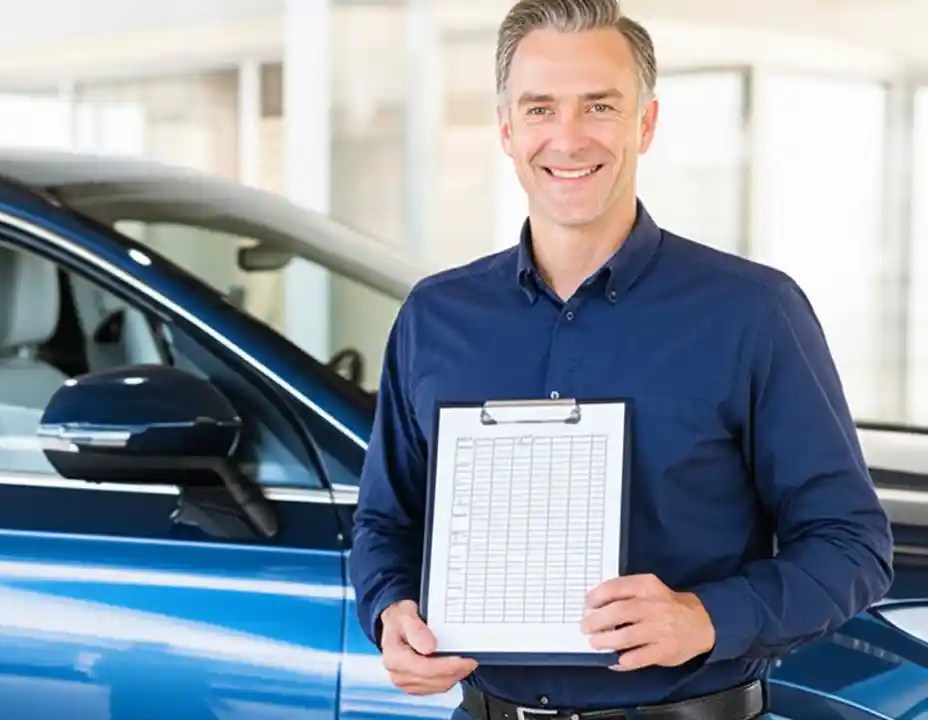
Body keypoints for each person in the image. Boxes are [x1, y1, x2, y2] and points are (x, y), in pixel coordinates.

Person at [348, 0, 895, 718]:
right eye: (540, 109)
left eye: (598, 106)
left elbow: (851, 544)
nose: (568, 139)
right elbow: (384, 523)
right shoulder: (435, 317)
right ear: (507, 130)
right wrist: (391, 611)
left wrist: (706, 617)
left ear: (646, 122)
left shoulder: (752, 313)